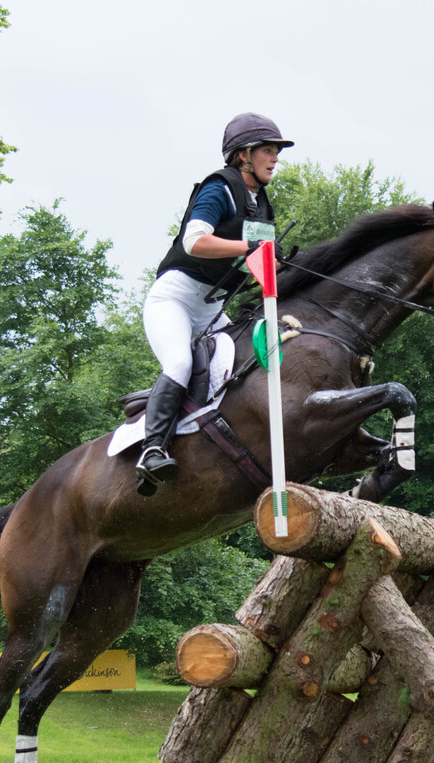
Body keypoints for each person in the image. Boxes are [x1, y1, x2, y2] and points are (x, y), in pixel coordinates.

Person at [136, 112, 294, 494]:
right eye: (268, 151)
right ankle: (151, 448)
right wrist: (248, 247)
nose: (275, 158)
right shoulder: (218, 189)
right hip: (174, 298)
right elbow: (194, 242)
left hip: (213, 308)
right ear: (243, 156)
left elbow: (253, 262)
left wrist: (279, 268)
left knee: (254, 358)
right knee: (179, 361)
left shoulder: (261, 204)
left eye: (276, 152)